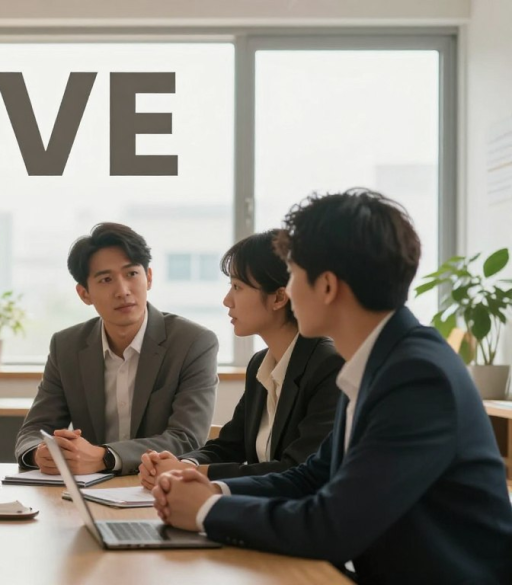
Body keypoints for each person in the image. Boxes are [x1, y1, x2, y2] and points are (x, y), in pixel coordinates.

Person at [152, 189, 512, 583]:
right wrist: (214, 491)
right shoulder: (376, 362)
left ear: (326, 286)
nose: (288, 291)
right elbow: (311, 476)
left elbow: (332, 527)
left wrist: (206, 511)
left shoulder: (417, 376)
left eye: (292, 275)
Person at [139, 230, 342, 488]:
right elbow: (229, 446)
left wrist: (196, 473)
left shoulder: (328, 366)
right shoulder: (260, 364)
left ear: (279, 297)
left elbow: (298, 469)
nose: (227, 300)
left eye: (237, 287)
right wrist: (183, 464)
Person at [14, 222, 218, 476]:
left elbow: (187, 438)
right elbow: (34, 430)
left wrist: (106, 457)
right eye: (106, 279)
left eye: (131, 274)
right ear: (84, 293)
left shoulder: (193, 342)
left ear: (149, 277)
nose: (122, 291)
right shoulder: (66, 346)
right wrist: (40, 453)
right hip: (88, 489)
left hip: (160, 486)